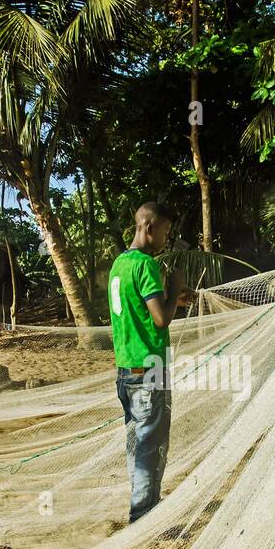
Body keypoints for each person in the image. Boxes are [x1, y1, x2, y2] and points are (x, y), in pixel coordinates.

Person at [109, 203, 194, 521]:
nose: (166, 239)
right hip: (149, 371)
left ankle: (142, 504)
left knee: (136, 442)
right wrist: (174, 287)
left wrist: (174, 299)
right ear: (148, 226)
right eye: (165, 231)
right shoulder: (145, 264)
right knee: (150, 447)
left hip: (125, 370)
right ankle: (143, 516)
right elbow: (160, 319)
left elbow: (143, 311)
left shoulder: (120, 265)